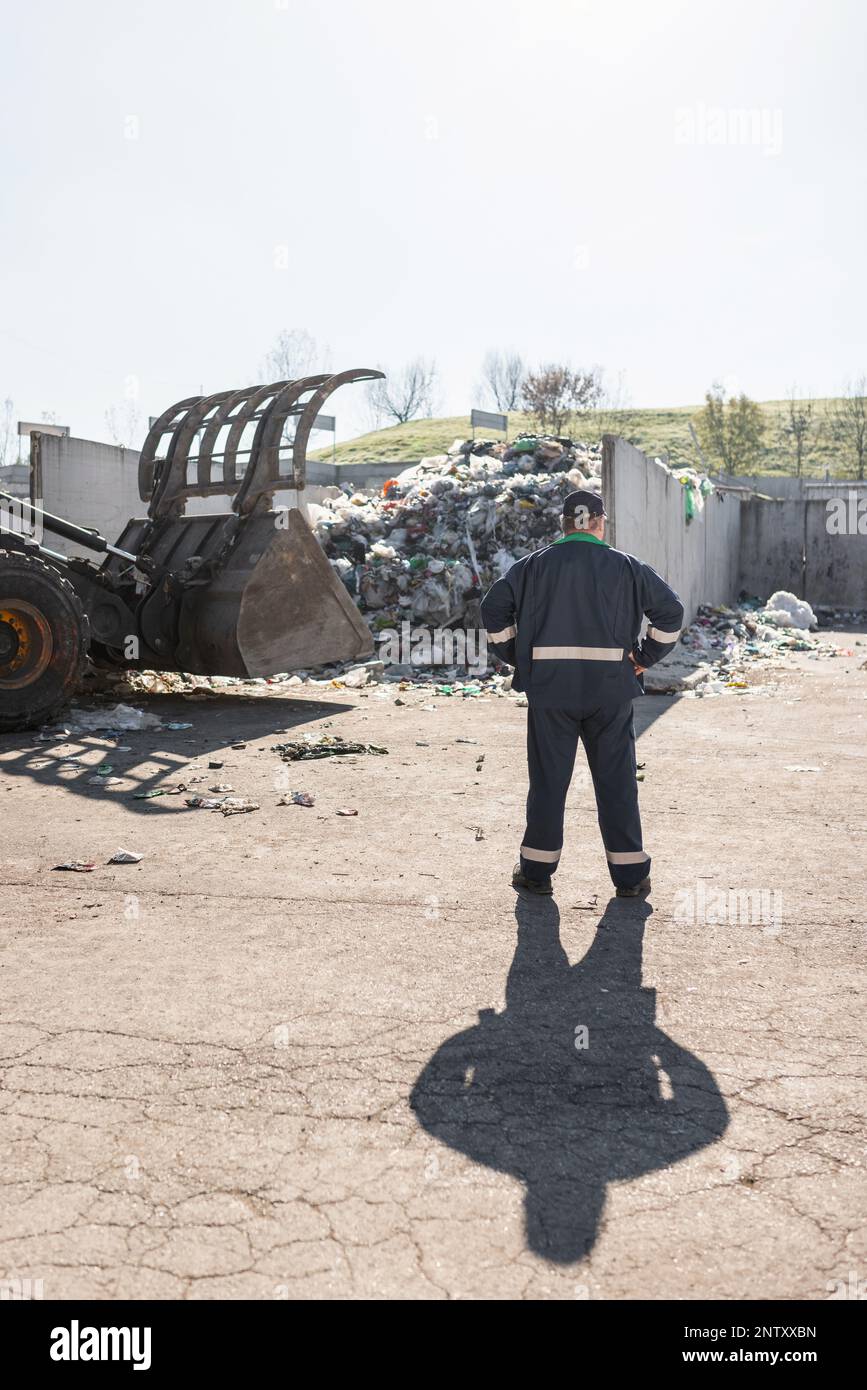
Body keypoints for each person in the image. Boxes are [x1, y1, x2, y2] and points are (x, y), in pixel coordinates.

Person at [480, 489, 684, 898]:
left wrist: (519, 656)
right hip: (609, 692)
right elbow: (671, 614)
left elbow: (493, 611)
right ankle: (629, 877)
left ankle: (536, 872)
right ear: (599, 522)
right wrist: (645, 657)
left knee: (548, 782)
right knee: (616, 782)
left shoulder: (531, 567)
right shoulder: (626, 567)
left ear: (563, 524)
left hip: (549, 691)